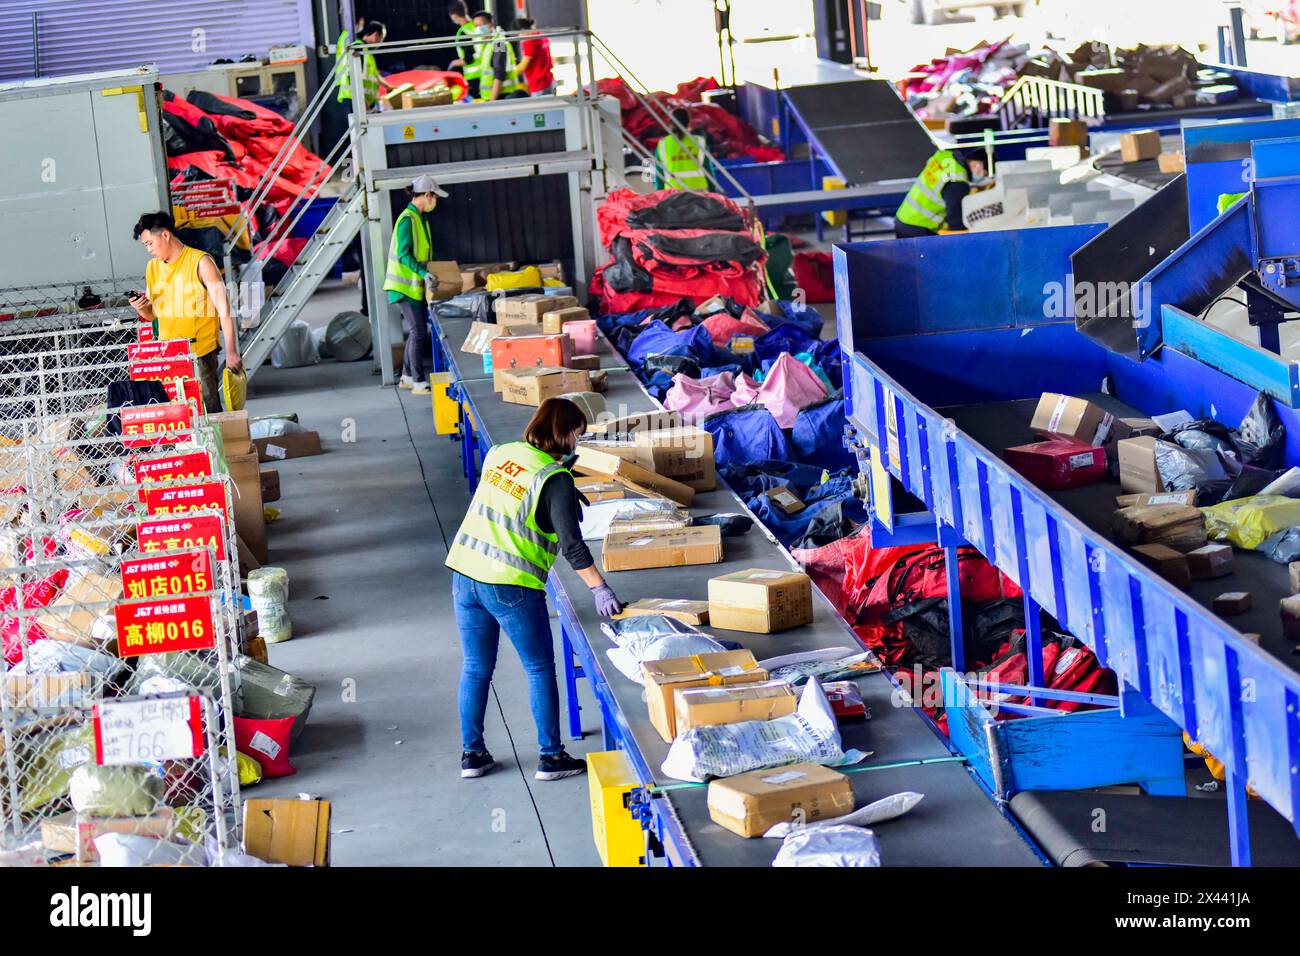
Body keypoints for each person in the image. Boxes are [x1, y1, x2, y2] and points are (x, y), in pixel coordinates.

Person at [445, 397, 625, 781]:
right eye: (578, 432)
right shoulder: (554, 480)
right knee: (540, 668)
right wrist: (600, 588)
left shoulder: (501, 452)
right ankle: (550, 756)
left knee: (476, 668)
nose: (580, 440)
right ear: (566, 432)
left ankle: (472, 755)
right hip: (510, 585)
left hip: (464, 573)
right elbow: (572, 546)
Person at [130, 212, 242, 414]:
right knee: (177, 417)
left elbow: (225, 310)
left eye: (149, 243)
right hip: (169, 356)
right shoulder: (152, 268)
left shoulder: (201, 263)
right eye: (145, 245)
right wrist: (140, 307)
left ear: (165, 235)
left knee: (208, 413)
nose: (149, 250)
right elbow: (153, 315)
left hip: (199, 354)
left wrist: (232, 351)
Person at [384, 175, 448, 394]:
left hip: (414, 287)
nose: (435, 202)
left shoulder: (421, 219)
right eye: (435, 197)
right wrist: (424, 273)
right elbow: (403, 255)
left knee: (416, 332)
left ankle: (406, 376)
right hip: (404, 287)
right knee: (419, 332)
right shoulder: (407, 220)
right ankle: (419, 382)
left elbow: (425, 253)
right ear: (427, 195)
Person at [893, 148, 987, 238]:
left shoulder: (946, 156)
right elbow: (956, 225)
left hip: (904, 216)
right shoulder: (957, 183)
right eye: (985, 173)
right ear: (977, 165)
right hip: (919, 228)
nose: (983, 176)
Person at [470, 11, 526, 101]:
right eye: (476, 26)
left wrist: (493, 102)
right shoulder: (487, 44)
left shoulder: (499, 43)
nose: (479, 28)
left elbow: (499, 74)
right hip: (493, 97)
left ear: (491, 23)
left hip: (502, 96)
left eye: (482, 24)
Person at [654, 107, 710, 190]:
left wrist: (659, 193)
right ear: (689, 123)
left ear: (671, 123)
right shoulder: (699, 141)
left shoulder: (663, 144)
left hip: (673, 193)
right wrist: (714, 192)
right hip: (699, 192)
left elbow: (658, 173)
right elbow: (708, 170)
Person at [336, 19, 387, 109]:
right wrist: (363, 102)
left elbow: (375, 76)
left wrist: (389, 86)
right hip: (354, 100)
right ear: (376, 35)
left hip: (360, 101)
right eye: (380, 39)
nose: (380, 43)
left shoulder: (367, 52)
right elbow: (353, 75)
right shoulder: (359, 49)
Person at [447, 1, 481, 98]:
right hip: (487, 73)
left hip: (474, 77)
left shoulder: (462, 32)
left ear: (454, 16)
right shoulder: (477, 26)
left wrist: (453, 63)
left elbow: (468, 59)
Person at [514, 18, 555, 96]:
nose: (519, 37)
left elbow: (523, 65)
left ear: (521, 31)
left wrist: (510, 73)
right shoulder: (541, 35)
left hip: (538, 83)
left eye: (517, 34)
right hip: (548, 79)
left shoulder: (529, 41)